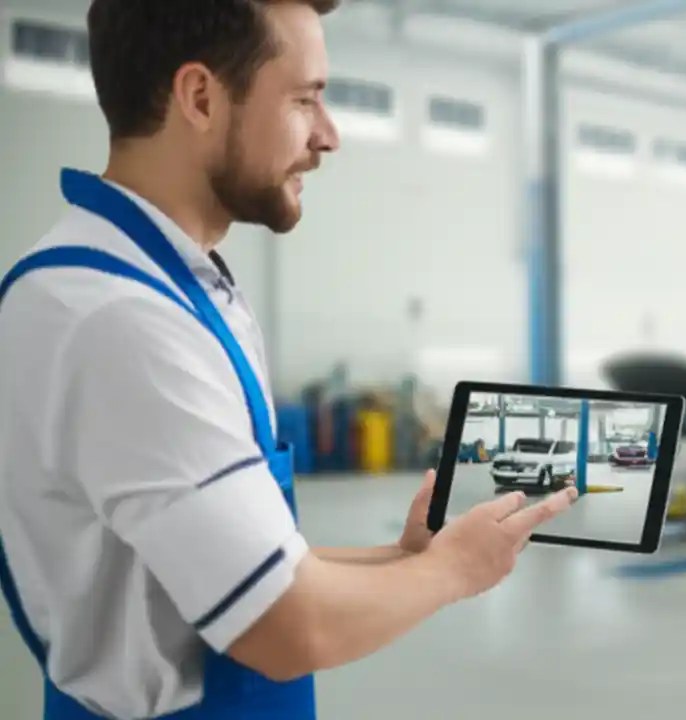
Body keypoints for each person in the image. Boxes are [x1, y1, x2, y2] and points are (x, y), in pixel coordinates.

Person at [0, 1, 576, 718]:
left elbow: (248, 564)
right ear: (201, 98)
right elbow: (281, 623)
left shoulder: (180, 286)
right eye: (305, 100)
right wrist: (457, 571)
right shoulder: (121, 318)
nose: (328, 136)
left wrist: (410, 558)